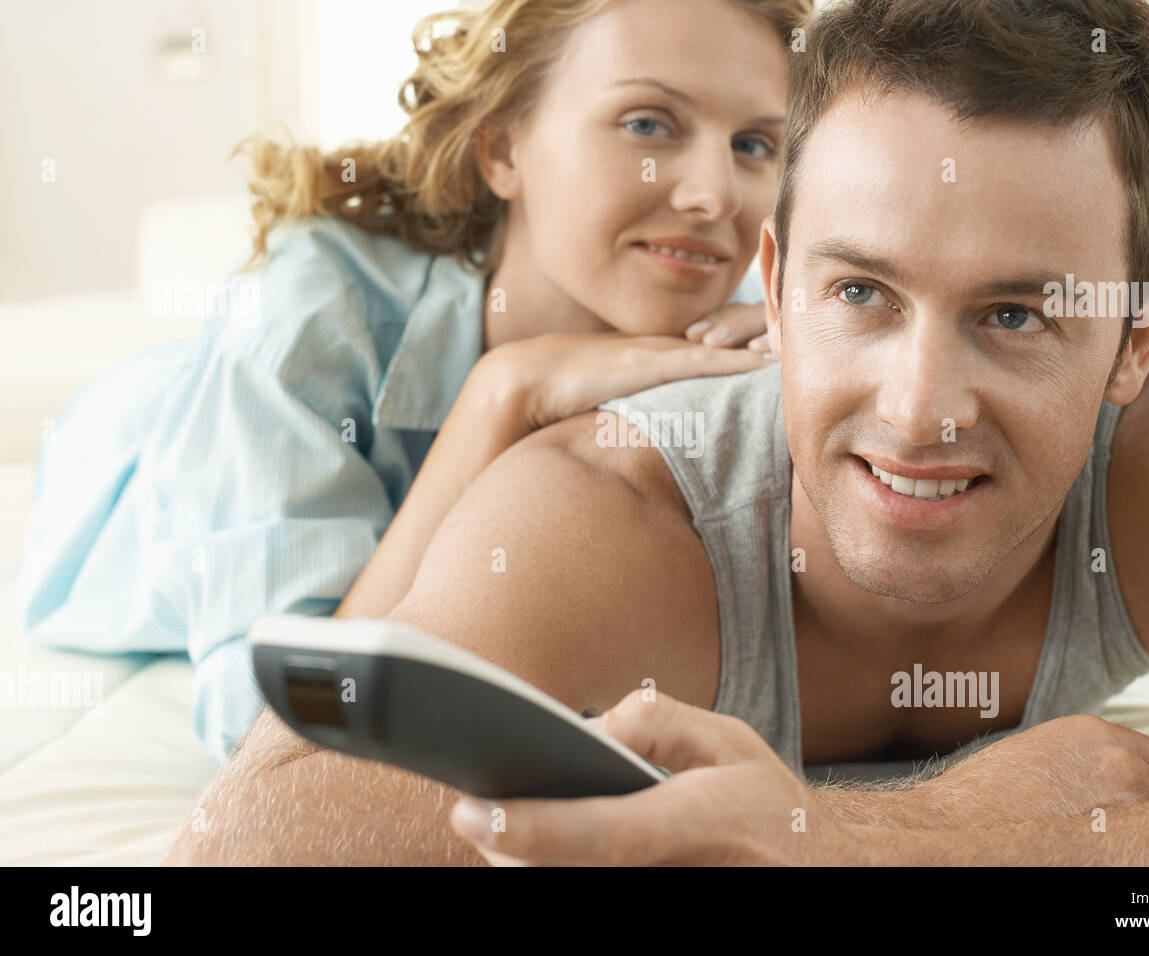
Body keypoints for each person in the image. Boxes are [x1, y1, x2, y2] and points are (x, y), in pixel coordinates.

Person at [166, 0, 1149, 868]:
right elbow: (243, 842)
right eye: (859, 292)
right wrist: (936, 824)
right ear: (776, 282)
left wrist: (904, 843)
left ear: (1134, 336)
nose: (916, 410)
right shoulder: (606, 515)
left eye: (1014, 314)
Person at [17, 0, 810, 762]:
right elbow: (277, 733)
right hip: (127, 459)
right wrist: (504, 394)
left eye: (753, 146)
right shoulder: (307, 316)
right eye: (646, 124)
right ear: (502, 149)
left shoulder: (745, 324)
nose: (714, 196)